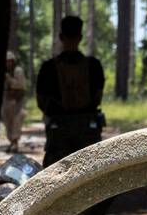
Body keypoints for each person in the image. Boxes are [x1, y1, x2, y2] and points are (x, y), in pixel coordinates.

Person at [36, 15, 106, 166]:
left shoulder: (48, 68)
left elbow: (41, 101)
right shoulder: (94, 66)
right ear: (80, 37)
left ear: (61, 37)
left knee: (56, 177)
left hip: (58, 131)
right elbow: (97, 97)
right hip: (88, 130)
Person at [2, 50, 27, 153]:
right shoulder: (5, 72)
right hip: (7, 100)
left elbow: (20, 85)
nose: (8, 63)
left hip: (17, 101)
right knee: (8, 122)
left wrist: (9, 79)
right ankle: (11, 142)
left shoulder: (18, 71)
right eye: (6, 61)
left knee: (16, 122)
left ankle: (15, 144)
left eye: (10, 61)